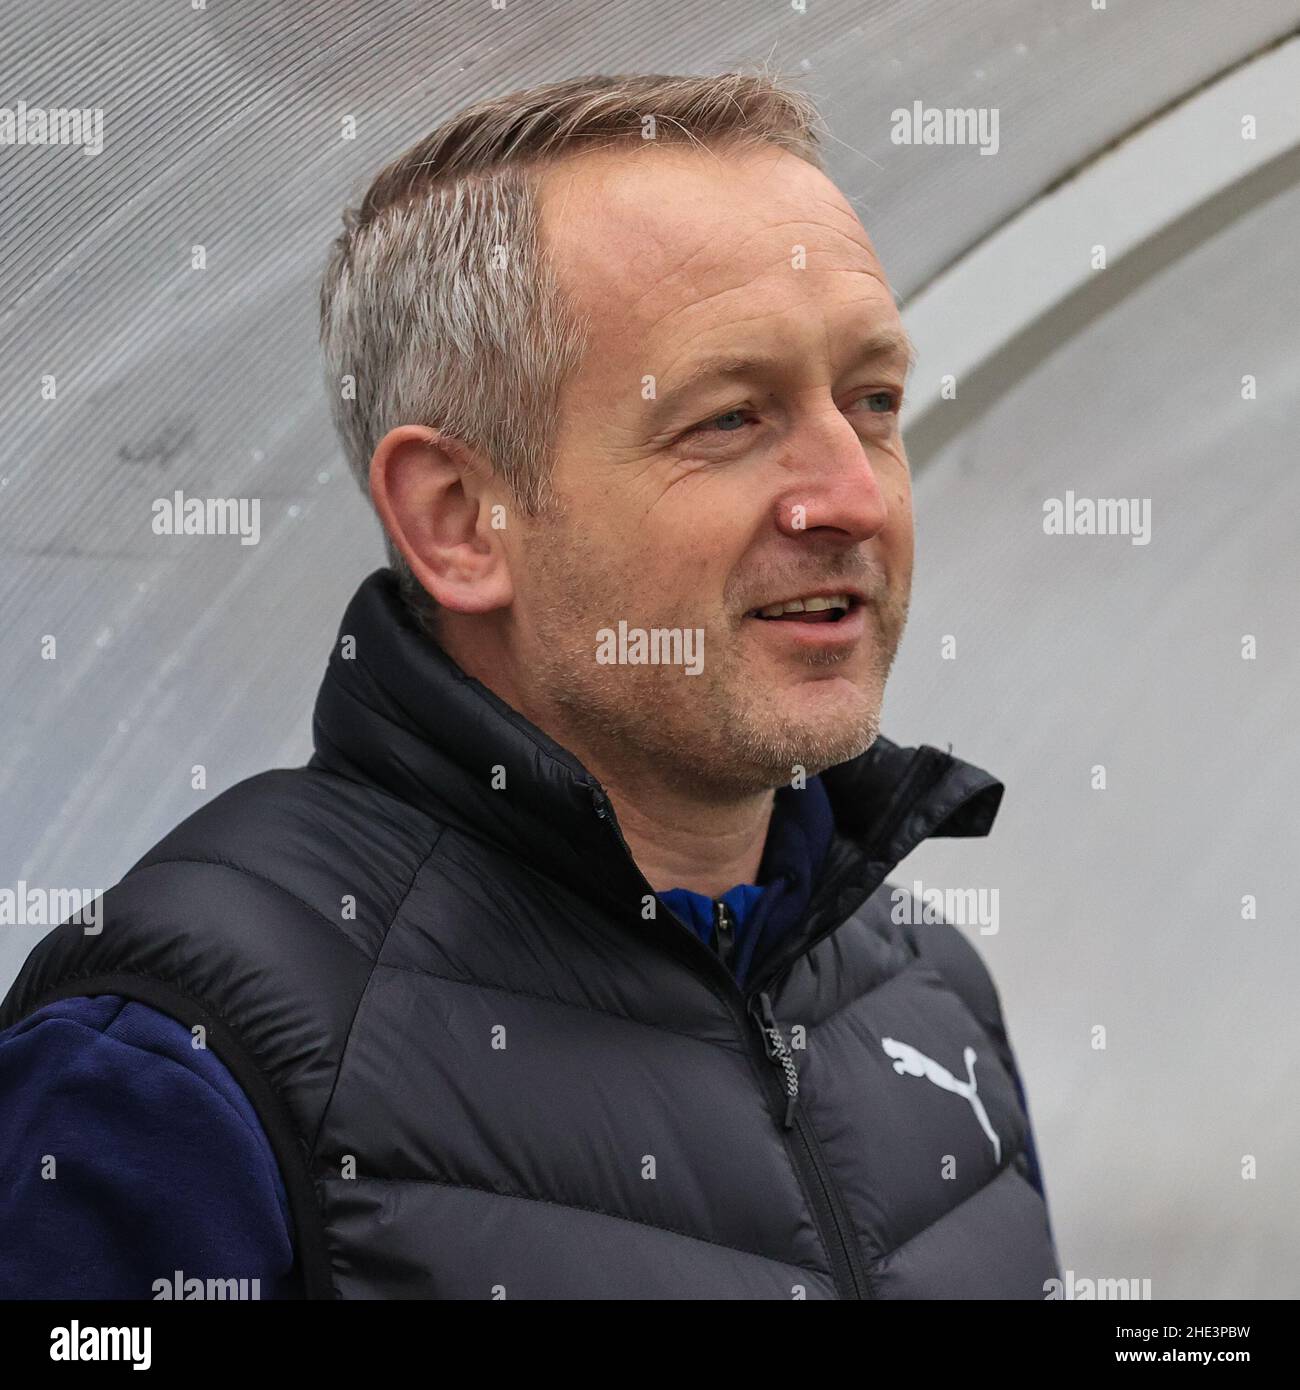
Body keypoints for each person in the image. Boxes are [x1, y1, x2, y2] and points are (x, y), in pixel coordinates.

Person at [0, 71, 1058, 1300]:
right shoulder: (175, 1062)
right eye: (727, 419)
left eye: (871, 401)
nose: (856, 496)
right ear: (458, 521)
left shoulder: (922, 988)